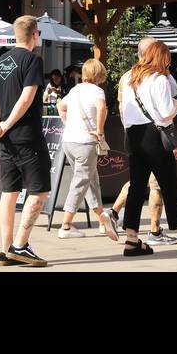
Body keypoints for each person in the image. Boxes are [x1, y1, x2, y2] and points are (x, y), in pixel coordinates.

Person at [118, 38, 177, 257]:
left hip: (133, 135)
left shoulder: (130, 78)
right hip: (154, 135)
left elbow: (124, 110)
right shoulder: (159, 79)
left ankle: (131, 239)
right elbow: (166, 112)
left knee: (136, 187)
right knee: (169, 185)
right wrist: (176, 100)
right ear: (161, 58)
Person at [0, 14, 50, 267]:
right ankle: (20, 245)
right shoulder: (33, 60)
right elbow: (26, 98)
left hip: (5, 140)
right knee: (39, 191)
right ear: (35, 35)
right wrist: (8, 124)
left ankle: (5, 250)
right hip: (27, 137)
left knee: (9, 191)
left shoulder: (1, 60)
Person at [55, 59, 118, 241]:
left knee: (90, 180)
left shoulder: (75, 90)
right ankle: (66, 225)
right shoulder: (97, 91)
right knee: (81, 181)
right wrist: (99, 131)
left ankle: (102, 220)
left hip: (69, 141)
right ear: (99, 74)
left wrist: (67, 122)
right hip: (85, 142)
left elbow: (60, 106)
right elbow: (101, 108)